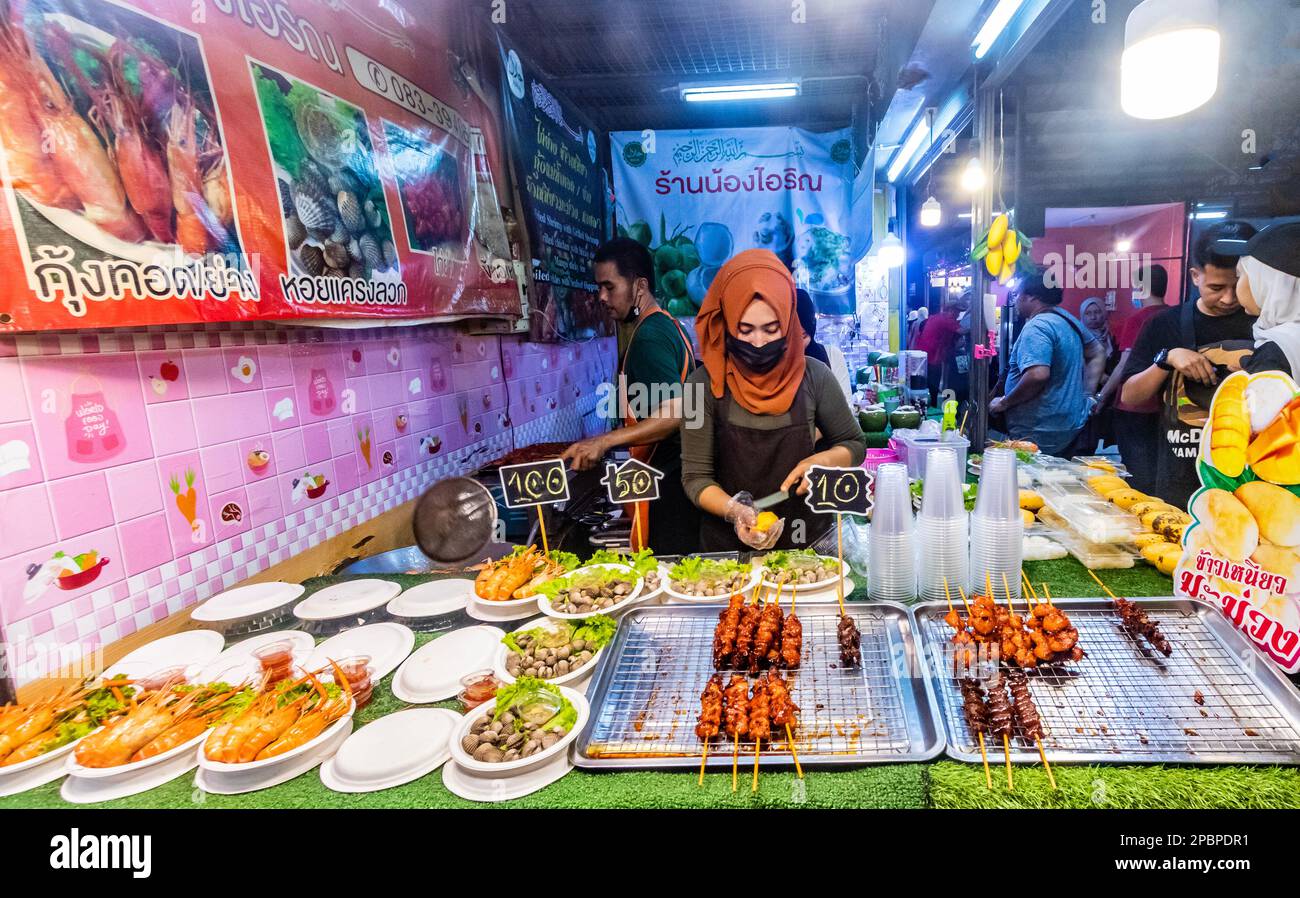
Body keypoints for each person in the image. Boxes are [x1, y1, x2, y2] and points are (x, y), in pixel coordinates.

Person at [681, 250, 866, 551]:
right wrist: (735, 511)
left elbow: (855, 445)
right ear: (727, 324)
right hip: (728, 554)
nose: (758, 342)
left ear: (788, 319)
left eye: (771, 329)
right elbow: (695, 478)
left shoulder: (816, 376)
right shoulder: (699, 386)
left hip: (806, 550)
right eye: (745, 329)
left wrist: (821, 461)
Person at [561, 237, 699, 555]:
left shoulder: (650, 336)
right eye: (599, 288)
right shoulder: (667, 325)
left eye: (610, 287)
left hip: (668, 487)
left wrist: (604, 441)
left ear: (639, 285)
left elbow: (676, 412)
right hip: (673, 481)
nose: (602, 297)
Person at [1119, 221, 1258, 508]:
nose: (1229, 298)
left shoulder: (1266, 324)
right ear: (1195, 276)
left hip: (1250, 475)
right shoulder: (1163, 325)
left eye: (1238, 285)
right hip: (1180, 476)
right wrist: (1167, 359)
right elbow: (1130, 395)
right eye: (1216, 287)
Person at [989, 282, 1107, 456]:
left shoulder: (1037, 326)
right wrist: (1087, 395)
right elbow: (1098, 351)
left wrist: (1004, 402)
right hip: (1068, 426)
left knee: (1032, 481)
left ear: (1031, 296)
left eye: (1017, 295)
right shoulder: (1067, 319)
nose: (1015, 301)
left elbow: (1037, 375)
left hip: (1039, 432)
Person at [1106, 264, 1169, 494]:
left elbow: (1124, 365)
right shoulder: (1175, 315)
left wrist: (1101, 397)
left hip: (1135, 408)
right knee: (1157, 467)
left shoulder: (1138, 320)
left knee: (1136, 472)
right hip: (1165, 409)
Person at [1232, 222, 1300, 376]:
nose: (1237, 286)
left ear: (1267, 283)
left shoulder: (1277, 352)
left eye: (1240, 275)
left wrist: (1260, 369)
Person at [796, 288, 853, 402]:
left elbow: (847, 409)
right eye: (793, 337)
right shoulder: (776, 362)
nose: (798, 345)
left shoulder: (832, 356)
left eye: (804, 336)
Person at [1079, 296, 1120, 449]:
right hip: (1086, 391)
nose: (1093, 317)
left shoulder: (1111, 336)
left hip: (1107, 393)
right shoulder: (1080, 337)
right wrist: (1100, 376)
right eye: (1088, 314)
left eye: (1097, 312)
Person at [914, 295, 964, 406]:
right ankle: (932, 408)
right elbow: (962, 330)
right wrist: (976, 324)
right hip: (932, 357)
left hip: (925, 357)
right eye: (957, 311)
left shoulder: (936, 317)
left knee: (926, 385)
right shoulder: (946, 320)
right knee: (933, 385)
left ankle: (928, 406)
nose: (958, 314)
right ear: (951, 310)